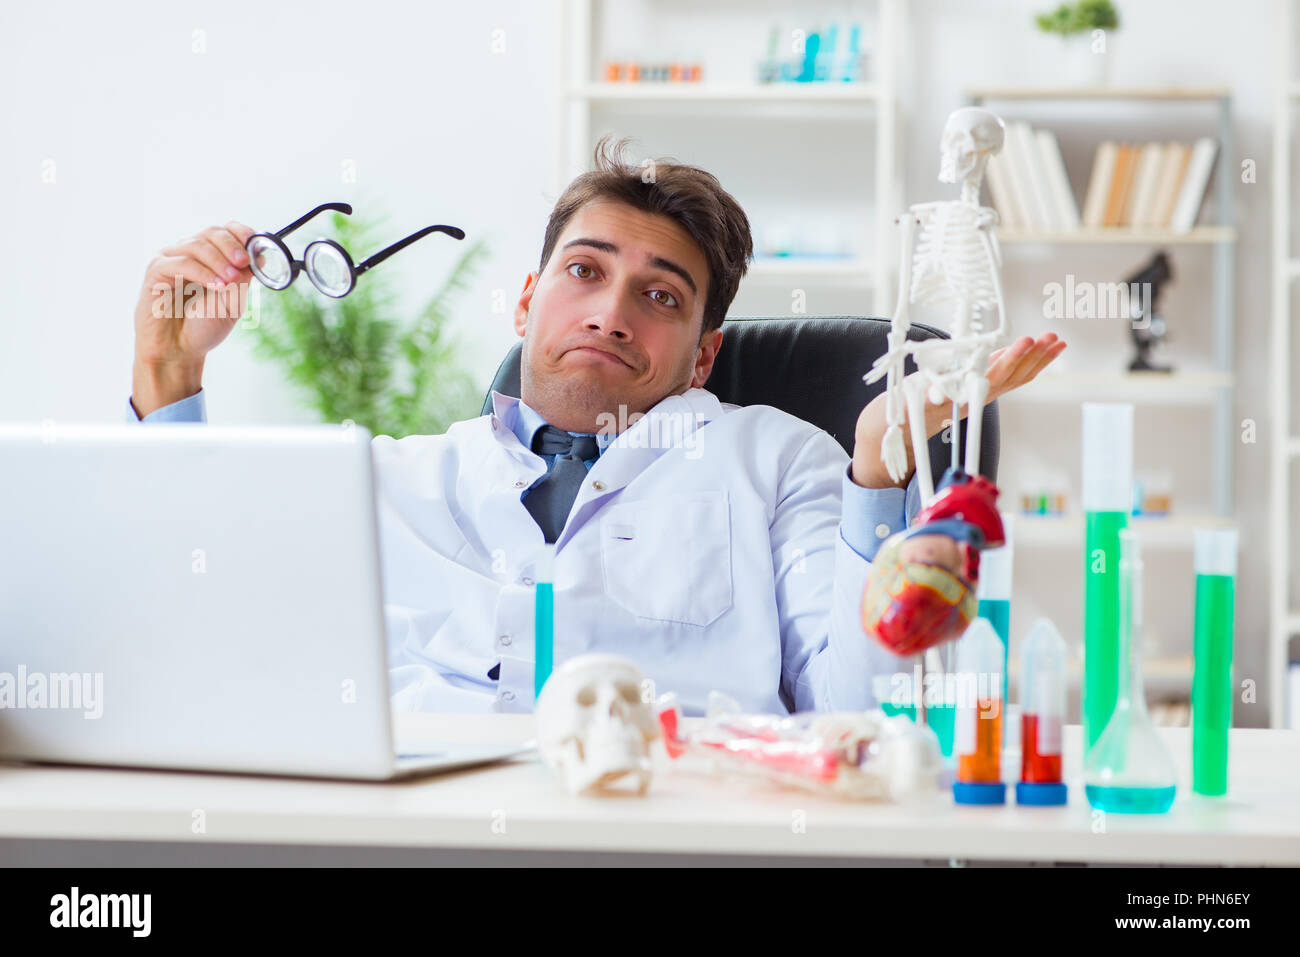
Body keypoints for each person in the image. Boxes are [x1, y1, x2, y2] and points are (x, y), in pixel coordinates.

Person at [127, 137, 1065, 715]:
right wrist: (170, 375)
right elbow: (202, 646)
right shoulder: (391, 479)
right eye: (585, 271)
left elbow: (865, 714)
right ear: (527, 300)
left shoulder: (778, 461)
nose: (612, 313)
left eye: (659, 294)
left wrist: (878, 473)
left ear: (703, 356)